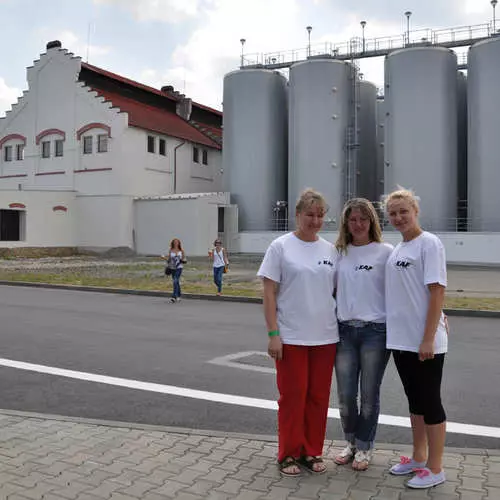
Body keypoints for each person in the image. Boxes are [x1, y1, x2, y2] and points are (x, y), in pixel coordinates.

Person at [257, 188, 339, 477]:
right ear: (297, 215)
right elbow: (269, 292)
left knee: (318, 397)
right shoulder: (280, 247)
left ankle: (311, 450)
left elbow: (342, 292)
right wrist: (273, 334)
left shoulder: (331, 250)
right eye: (309, 215)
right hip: (291, 336)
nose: (315, 220)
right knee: (293, 396)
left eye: (320, 215)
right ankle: (289, 453)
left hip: (326, 337)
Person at [384, 188, 448, 489]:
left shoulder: (429, 244)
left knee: (430, 402)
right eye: (393, 213)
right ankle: (418, 457)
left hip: (424, 341)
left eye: (403, 211)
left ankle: (436, 468)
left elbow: (437, 291)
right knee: (415, 402)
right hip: (401, 340)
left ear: (415, 211)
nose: (398, 218)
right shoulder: (398, 249)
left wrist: (428, 338)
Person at [333, 198, 393, 471]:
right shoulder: (339, 252)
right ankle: (351, 443)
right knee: (346, 397)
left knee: (369, 396)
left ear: (372, 221)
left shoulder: (385, 252)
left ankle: (365, 447)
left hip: (375, 333)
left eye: (363, 219)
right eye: (353, 219)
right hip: (344, 331)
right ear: (346, 222)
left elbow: (405, 289)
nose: (358, 224)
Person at [162, 238, 186, 303]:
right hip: (172, 268)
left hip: (179, 267)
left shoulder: (181, 251)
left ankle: (174, 296)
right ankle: (179, 295)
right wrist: (164, 258)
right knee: (176, 282)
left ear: (179, 243)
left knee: (175, 281)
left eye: (177, 242)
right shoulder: (171, 250)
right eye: (174, 242)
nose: (176, 243)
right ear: (173, 243)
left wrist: (183, 260)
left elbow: (184, 259)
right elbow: (169, 260)